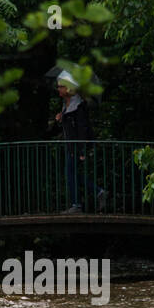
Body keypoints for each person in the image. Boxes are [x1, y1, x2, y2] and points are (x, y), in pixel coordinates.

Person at [52, 70, 96, 214]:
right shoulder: (67, 104)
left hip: (76, 146)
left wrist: (82, 150)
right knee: (72, 174)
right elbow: (69, 128)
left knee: (71, 174)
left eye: (60, 86)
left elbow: (83, 129)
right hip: (71, 146)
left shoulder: (78, 105)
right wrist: (60, 119)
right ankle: (97, 193)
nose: (58, 89)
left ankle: (77, 204)